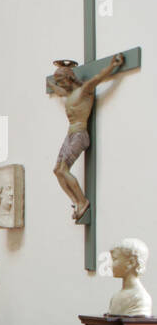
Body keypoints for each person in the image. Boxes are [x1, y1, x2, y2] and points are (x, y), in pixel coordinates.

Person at [50, 54, 124, 223]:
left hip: (80, 135)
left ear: (69, 77)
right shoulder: (70, 94)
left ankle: (83, 201)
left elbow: (99, 78)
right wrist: (51, 84)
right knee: (56, 170)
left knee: (63, 170)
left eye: (61, 80)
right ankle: (76, 201)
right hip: (70, 134)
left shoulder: (84, 90)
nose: (60, 85)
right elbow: (59, 91)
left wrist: (113, 65)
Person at [107, 238, 151, 317]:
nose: (110, 265)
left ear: (131, 262)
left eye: (114, 259)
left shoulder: (141, 299)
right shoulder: (116, 296)